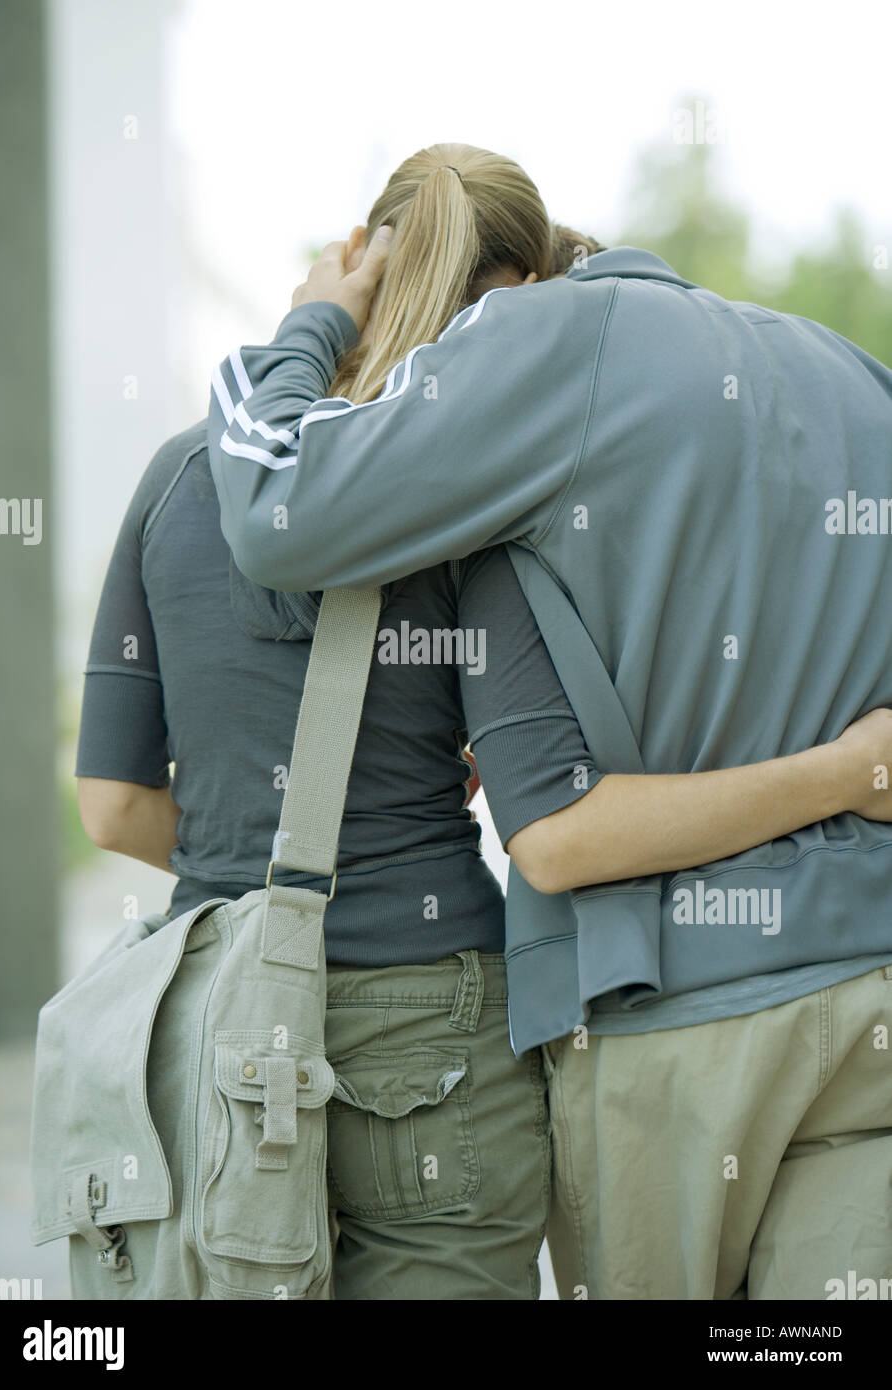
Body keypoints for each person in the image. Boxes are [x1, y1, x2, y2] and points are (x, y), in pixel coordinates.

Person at [206, 141, 892, 1299]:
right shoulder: (847, 370)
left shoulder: (532, 341)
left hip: (673, 1020)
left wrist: (314, 323)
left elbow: (279, 507)